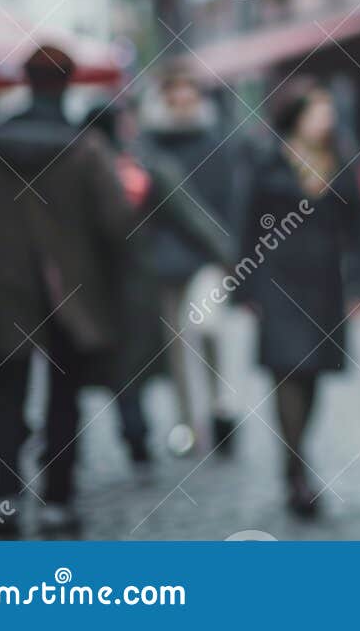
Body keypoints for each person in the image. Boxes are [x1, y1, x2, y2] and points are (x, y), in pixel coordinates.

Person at [0, 45, 132, 537]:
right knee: (63, 396)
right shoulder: (85, 149)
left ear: (26, 80)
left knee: (8, 394)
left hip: (6, 287)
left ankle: (4, 500)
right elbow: (116, 223)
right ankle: (57, 502)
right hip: (71, 292)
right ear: (67, 83)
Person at [239, 80, 360, 517]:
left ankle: (296, 456)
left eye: (329, 112)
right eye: (318, 111)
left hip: (324, 285)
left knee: (312, 373)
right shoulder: (269, 159)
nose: (327, 120)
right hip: (278, 281)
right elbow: (247, 225)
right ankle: (296, 474)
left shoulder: (341, 161)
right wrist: (245, 283)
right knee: (286, 371)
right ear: (298, 116)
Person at [81, 103, 233, 470]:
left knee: (124, 359)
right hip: (132, 281)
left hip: (104, 283)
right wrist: (228, 255)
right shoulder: (138, 167)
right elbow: (190, 214)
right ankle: (138, 435)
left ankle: (135, 434)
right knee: (134, 357)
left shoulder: (95, 168)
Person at [137, 62, 245, 457]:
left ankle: (221, 408)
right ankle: (186, 423)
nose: (182, 101)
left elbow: (232, 200)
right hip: (165, 261)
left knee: (210, 331)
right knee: (176, 346)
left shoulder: (216, 142)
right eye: (175, 93)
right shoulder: (148, 146)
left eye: (189, 93)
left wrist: (227, 251)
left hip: (207, 258)